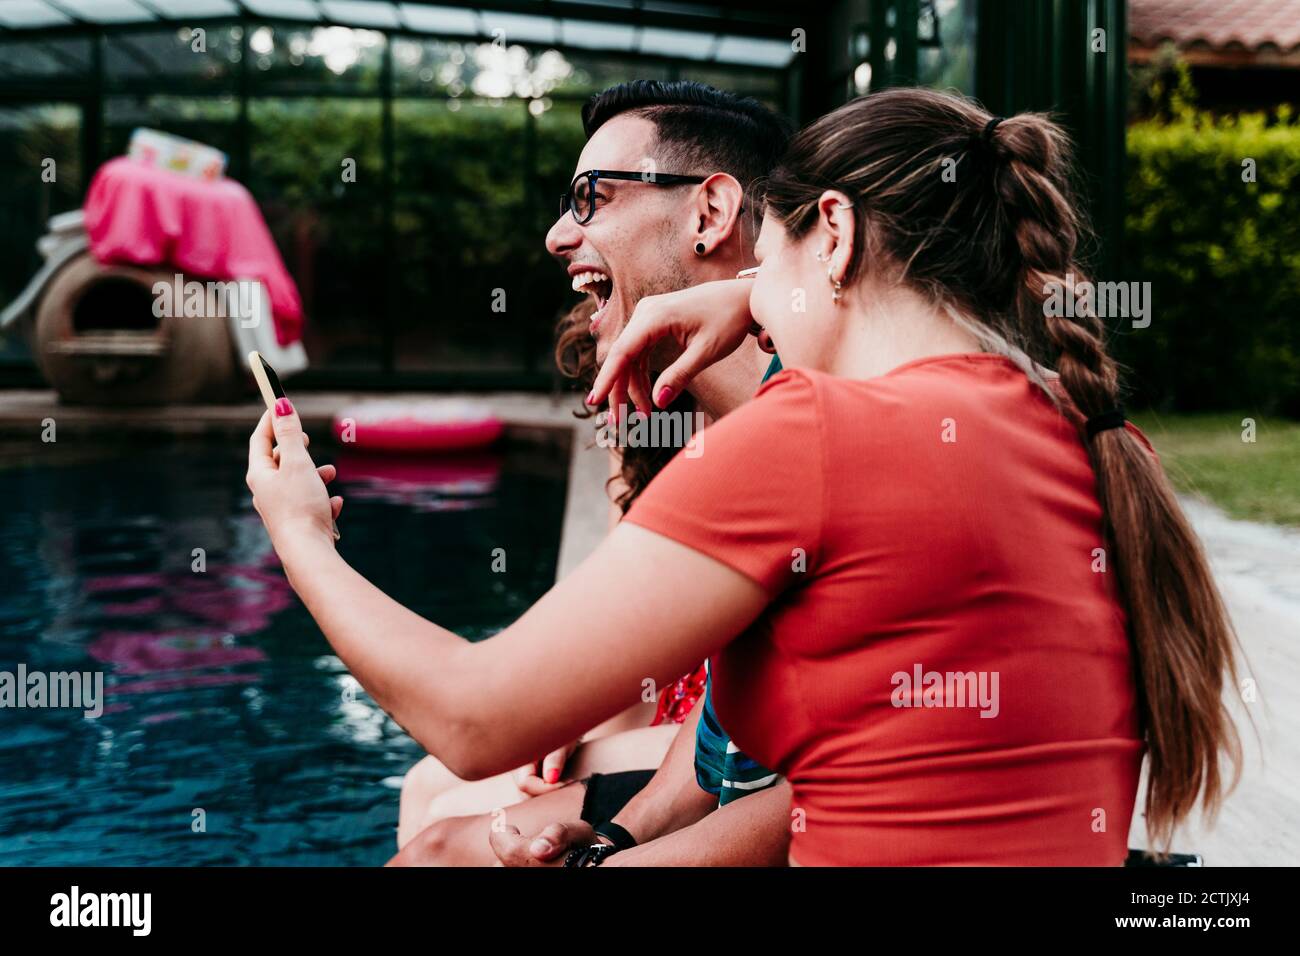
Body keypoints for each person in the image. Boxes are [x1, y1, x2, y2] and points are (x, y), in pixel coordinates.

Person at [248, 87, 1241, 864]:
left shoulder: (815, 431)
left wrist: (300, 534)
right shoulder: (1078, 429)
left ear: (838, 237)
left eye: (766, 258)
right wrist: (748, 292)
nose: (752, 296)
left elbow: (471, 714)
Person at [392, 80, 794, 863]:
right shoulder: (666, 397)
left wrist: (300, 535)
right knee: (434, 792)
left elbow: (473, 718)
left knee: (442, 834)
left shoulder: (798, 419)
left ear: (710, 215)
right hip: (714, 733)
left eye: (590, 198)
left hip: (757, 760)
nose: (554, 237)